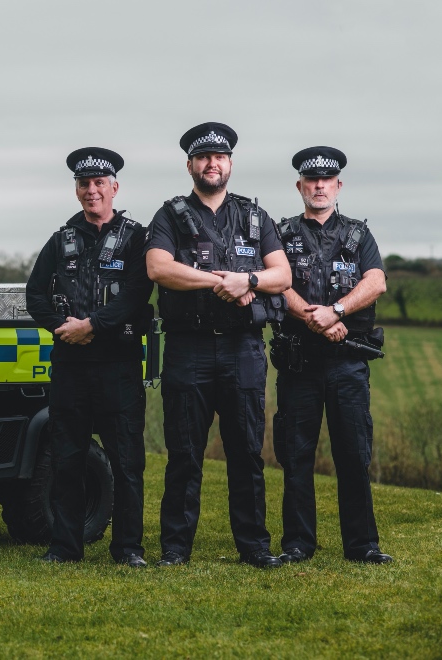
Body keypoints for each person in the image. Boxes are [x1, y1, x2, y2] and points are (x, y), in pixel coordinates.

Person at [145, 122, 291, 569]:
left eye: (220, 156)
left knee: (247, 452)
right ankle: (175, 549)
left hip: (243, 350)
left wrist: (247, 279)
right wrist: (220, 282)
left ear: (230, 164)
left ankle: (254, 547)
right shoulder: (170, 215)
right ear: (190, 164)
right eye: (204, 157)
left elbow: (281, 275)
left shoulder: (254, 216)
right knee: (185, 454)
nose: (213, 163)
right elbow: (158, 267)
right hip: (189, 350)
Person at [25, 147, 153, 566]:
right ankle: (65, 547)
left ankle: (128, 548)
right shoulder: (61, 239)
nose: (92, 190)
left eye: (100, 183)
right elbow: (34, 295)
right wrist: (63, 328)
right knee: (67, 458)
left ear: (114, 187)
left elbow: (136, 295)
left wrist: (92, 326)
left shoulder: (137, 237)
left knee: (127, 461)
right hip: (71, 367)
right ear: (77, 190)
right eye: (85, 184)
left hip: (118, 365)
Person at [271, 146, 393, 565]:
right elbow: (275, 282)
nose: (319, 186)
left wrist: (337, 310)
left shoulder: (359, 234)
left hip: (347, 364)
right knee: (296, 456)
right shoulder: (281, 233)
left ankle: (363, 546)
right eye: (311, 180)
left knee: (354, 456)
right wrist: (313, 317)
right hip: (299, 363)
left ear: (338, 186)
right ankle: (298, 544)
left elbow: (376, 281)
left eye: (326, 180)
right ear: (300, 186)